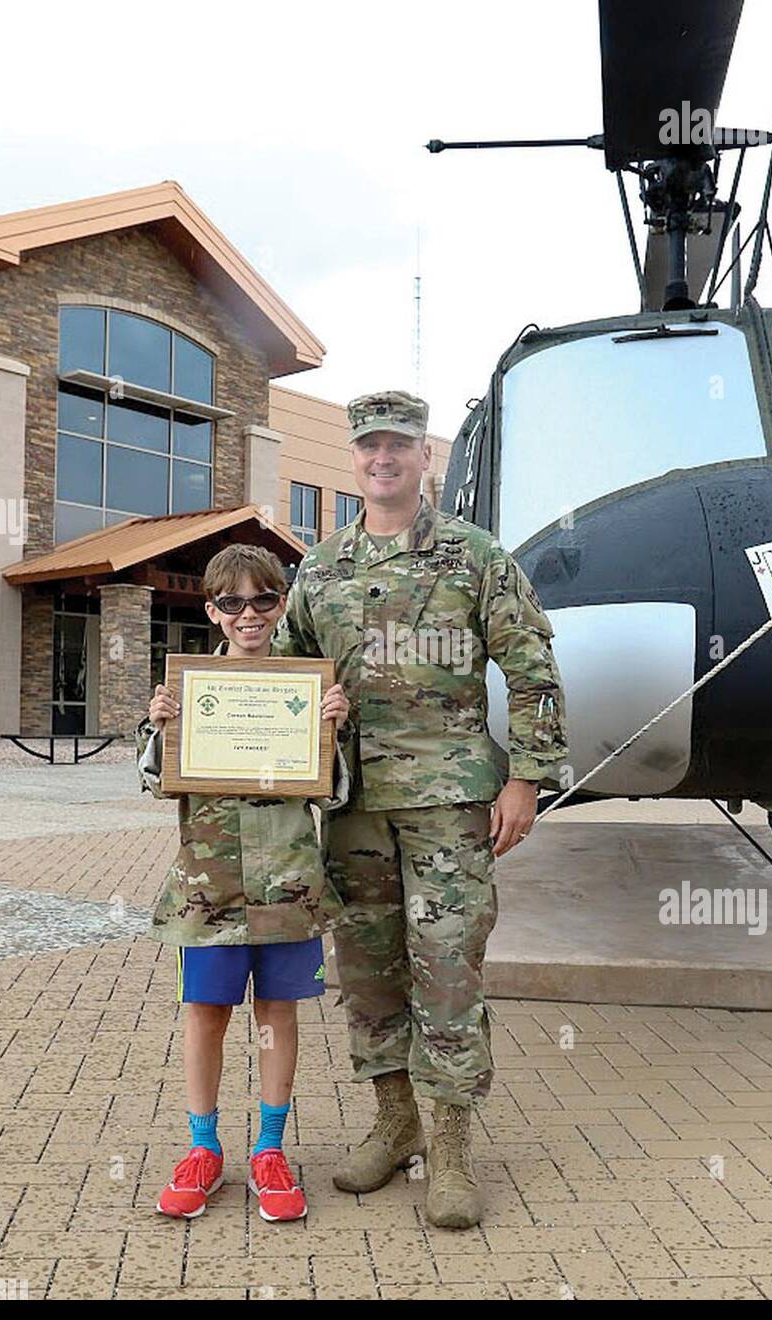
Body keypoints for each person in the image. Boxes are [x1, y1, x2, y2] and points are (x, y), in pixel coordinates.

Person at [272, 390, 568, 1228]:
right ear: (354, 458)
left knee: (447, 969)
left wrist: (528, 778)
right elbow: (284, 674)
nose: (382, 458)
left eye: (398, 444)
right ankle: (393, 1120)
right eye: (368, 446)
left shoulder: (475, 556)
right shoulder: (321, 567)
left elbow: (533, 664)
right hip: (355, 807)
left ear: (423, 456)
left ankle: (450, 1146)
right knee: (368, 973)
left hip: (449, 807)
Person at [135, 543, 349, 1222]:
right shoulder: (189, 690)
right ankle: (204, 1150)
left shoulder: (304, 691)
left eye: (262, 600)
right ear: (212, 611)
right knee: (205, 1015)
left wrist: (330, 733)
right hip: (211, 889)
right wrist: (161, 727)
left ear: (280, 605)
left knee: (277, 1014)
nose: (247, 614)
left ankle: (269, 1149)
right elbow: (152, 781)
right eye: (232, 602)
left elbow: (334, 796)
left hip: (287, 887)